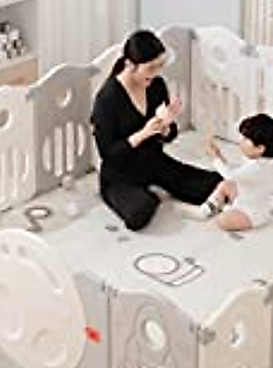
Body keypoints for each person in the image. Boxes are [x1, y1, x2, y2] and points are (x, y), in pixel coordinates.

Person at [91, 29, 221, 231]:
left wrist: (166, 128)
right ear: (130, 65)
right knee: (139, 213)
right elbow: (107, 153)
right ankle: (149, 195)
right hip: (120, 174)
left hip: (154, 162)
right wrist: (143, 133)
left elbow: (170, 135)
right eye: (151, 68)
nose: (156, 73)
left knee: (215, 183)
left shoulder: (156, 85)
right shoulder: (108, 98)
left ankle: (158, 188)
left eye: (160, 66)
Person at [199, 113, 273, 231]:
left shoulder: (258, 167)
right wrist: (219, 156)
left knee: (222, 221)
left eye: (245, 139)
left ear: (260, 148)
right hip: (241, 199)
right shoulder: (257, 160)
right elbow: (236, 173)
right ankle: (208, 208)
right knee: (225, 185)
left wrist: (214, 157)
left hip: (252, 214)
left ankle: (224, 209)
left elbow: (230, 175)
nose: (241, 141)